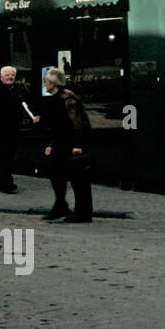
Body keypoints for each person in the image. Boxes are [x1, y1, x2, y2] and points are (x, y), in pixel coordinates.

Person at [41, 69, 93, 223]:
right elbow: (58, 126)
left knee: (79, 179)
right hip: (62, 143)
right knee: (56, 173)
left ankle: (83, 213)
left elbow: (76, 123)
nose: (44, 83)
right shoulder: (56, 99)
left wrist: (78, 144)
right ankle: (60, 206)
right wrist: (52, 144)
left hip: (71, 144)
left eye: (46, 81)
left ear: (53, 83)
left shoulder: (67, 99)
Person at [0, 66, 38, 194]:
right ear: (1, 77)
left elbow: (24, 106)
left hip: (12, 130)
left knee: (6, 157)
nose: (10, 77)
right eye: (7, 75)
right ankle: (6, 184)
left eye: (12, 75)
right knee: (3, 157)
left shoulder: (16, 90)